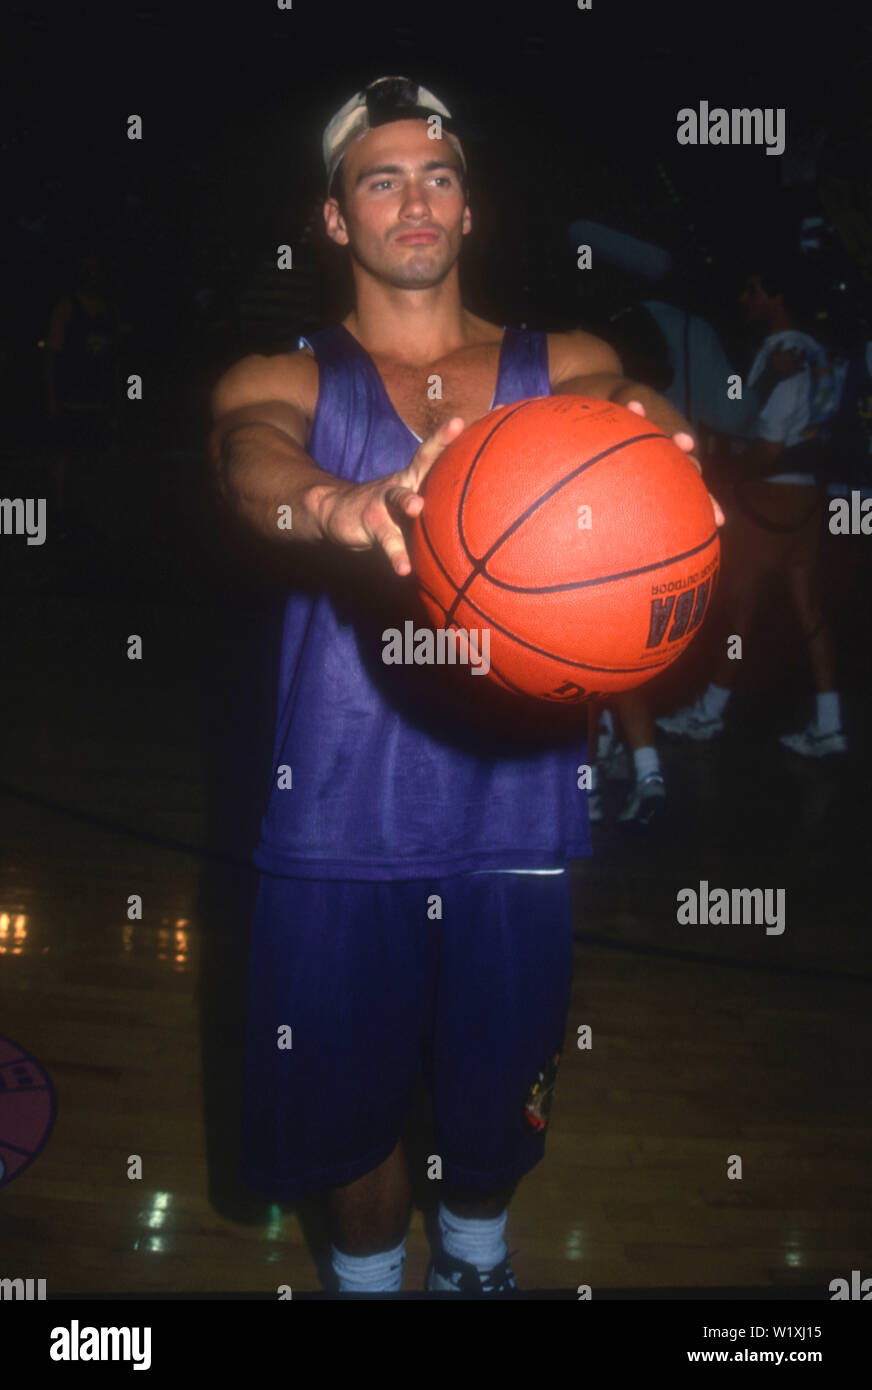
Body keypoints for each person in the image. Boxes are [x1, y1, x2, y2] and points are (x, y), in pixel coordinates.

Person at [208, 76, 721, 1296]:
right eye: (378, 179)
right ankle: (373, 1282)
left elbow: (623, 408)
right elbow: (252, 461)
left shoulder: (570, 364)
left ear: (469, 207)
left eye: (435, 174)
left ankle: (476, 1267)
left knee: (495, 1110)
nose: (413, 198)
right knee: (348, 1120)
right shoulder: (275, 374)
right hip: (333, 824)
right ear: (336, 221)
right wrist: (333, 501)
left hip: (515, 827)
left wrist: (655, 438)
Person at [657, 259, 846, 756]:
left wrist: (726, 475)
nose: (744, 299)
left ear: (776, 296)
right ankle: (830, 724)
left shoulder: (783, 353)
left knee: (738, 610)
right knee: (810, 613)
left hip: (769, 498)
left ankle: (708, 714)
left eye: (753, 289)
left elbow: (767, 447)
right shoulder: (816, 350)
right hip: (806, 496)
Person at [44, 254, 120, 528]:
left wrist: (117, 402)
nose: (92, 276)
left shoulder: (108, 311)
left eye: (96, 270)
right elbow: (52, 355)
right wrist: (52, 399)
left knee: (92, 459)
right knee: (64, 457)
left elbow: (115, 361)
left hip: (98, 401)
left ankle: (86, 513)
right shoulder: (67, 308)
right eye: (87, 270)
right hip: (70, 400)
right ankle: (60, 514)